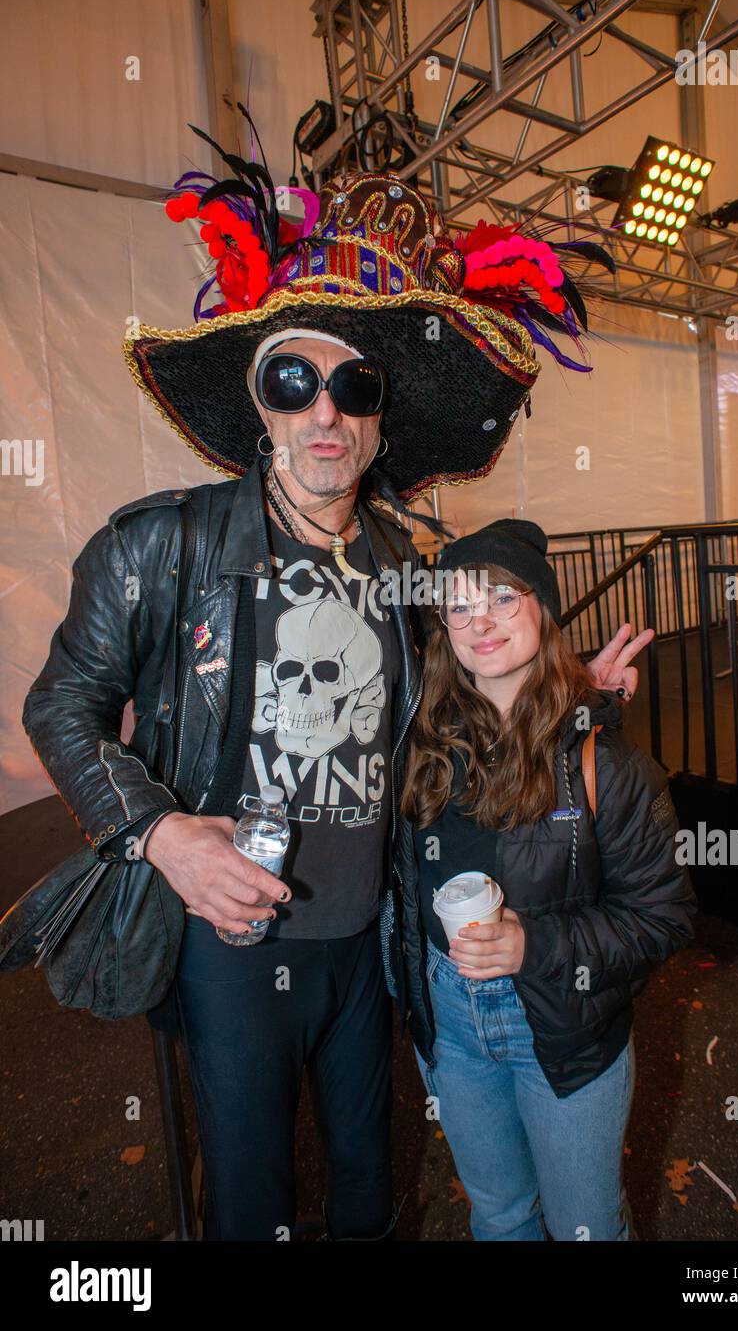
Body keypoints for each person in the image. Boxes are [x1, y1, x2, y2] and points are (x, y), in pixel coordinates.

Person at [18, 109, 646, 1241]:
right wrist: (160, 834)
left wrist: (566, 683)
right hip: (228, 943)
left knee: (370, 1181)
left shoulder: (404, 566)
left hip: (372, 934)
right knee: (250, 1197)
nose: (324, 411)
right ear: (257, 403)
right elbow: (60, 703)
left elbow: (459, 695)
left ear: (377, 421)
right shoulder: (163, 544)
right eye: (293, 378)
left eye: (353, 388)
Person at [398, 519, 698, 1241]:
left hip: (563, 1027)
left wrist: (531, 945)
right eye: (460, 606)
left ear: (544, 609)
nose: (480, 622)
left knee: (585, 1225)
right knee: (500, 1214)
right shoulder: (421, 744)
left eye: (502, 598)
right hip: (448, 1018)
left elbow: (663, 918)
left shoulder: (605, 763)